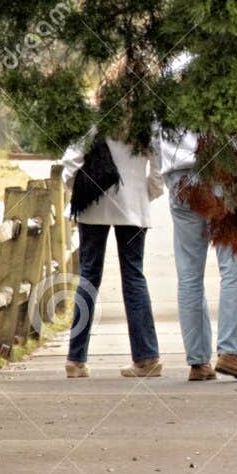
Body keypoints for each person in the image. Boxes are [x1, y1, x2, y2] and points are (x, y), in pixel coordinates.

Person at [157, 57, 237, 382]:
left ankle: (198, 362)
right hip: (218, 174)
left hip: (178, 179)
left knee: (189, 274)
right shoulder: (219, 66)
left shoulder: (163, 76)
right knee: (233, 268)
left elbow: (151, 137)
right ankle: (229, 352)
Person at [60, 130, 164, 378]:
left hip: (94, 204)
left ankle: (75, 360)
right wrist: (147, 191)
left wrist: (78, 187)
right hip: (133, 204)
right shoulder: (144, 119)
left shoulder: (94, 117)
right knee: (134, 276)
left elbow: (72, 158)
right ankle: (146, 358)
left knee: (88, 276)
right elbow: (158, 164)